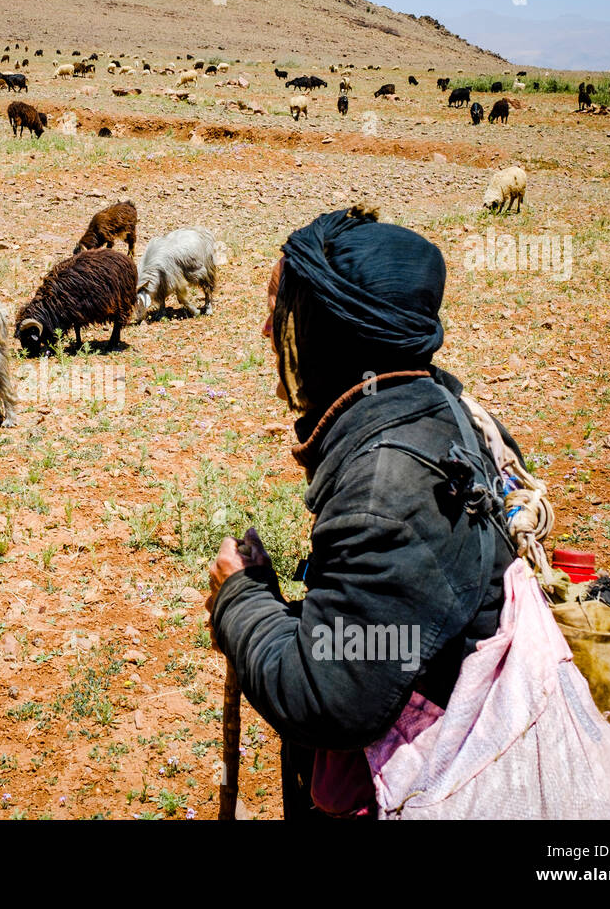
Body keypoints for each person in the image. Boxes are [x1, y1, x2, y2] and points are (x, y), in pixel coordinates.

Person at [205, 204, 525, 818]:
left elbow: (327, 696)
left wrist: (239, 600)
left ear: (332, 335)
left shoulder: (387, 491)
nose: (272, 335)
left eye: (290, 315)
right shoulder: (436, 403)